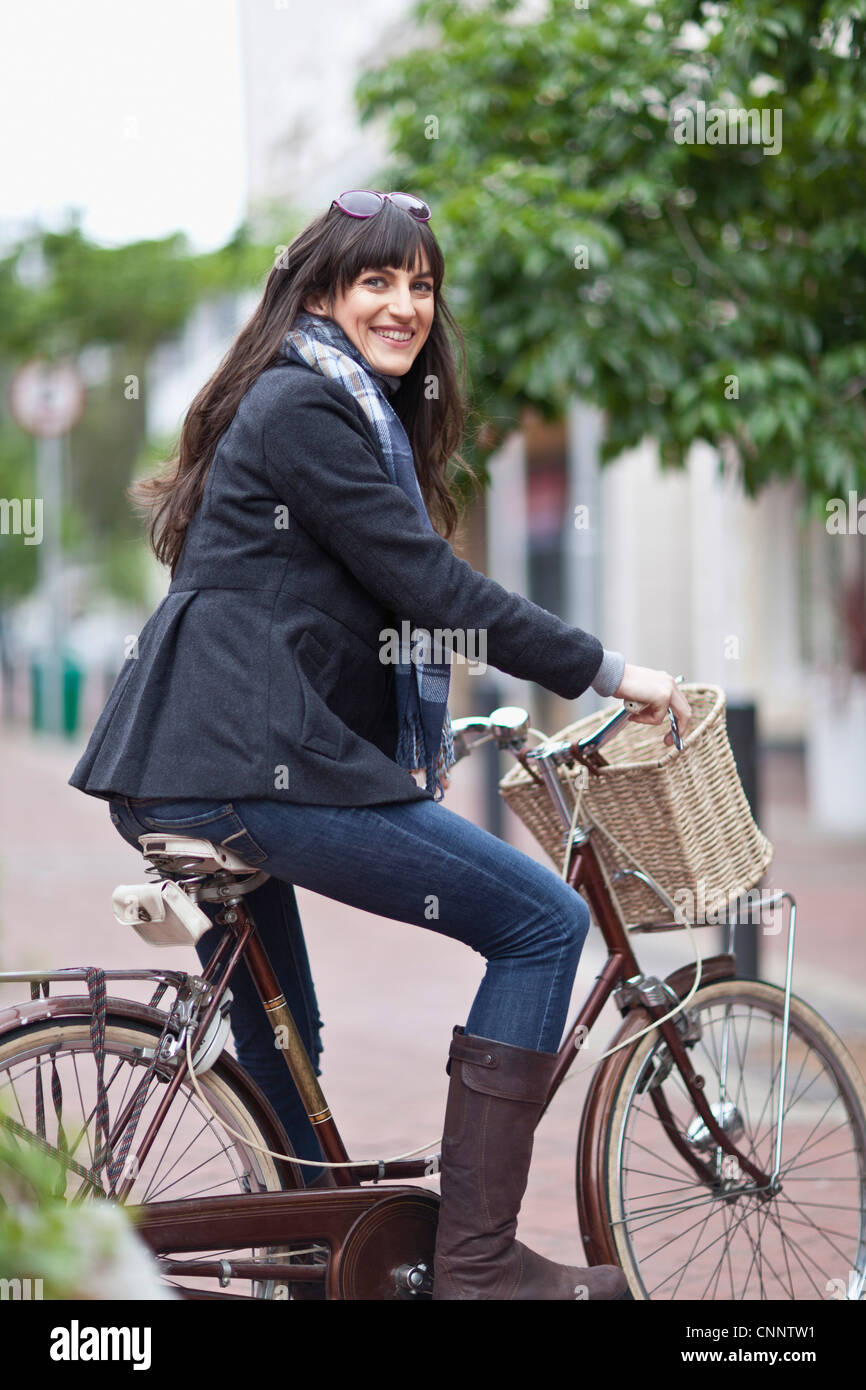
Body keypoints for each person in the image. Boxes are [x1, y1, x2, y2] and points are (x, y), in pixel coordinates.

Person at [69, 189, 691, 1300]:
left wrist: (421, 726)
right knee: (543, 923)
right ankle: (477, 1266)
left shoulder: (314, 407)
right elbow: (426, 584)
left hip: (198, 757)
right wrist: (603, 668)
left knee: (283, 1043)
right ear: (320, 294)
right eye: (376, 281)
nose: (404, 304)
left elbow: (310, 618)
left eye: (420, 284)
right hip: (238, 765)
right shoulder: (306, 406)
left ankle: (310, 1257)